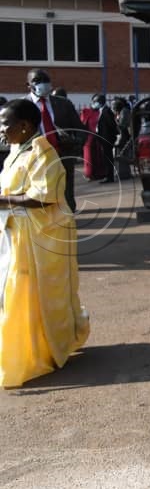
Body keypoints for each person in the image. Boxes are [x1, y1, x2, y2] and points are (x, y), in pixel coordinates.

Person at [0, 99, 89, 387]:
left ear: (25, 127)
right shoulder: (16, 151)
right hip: (18, 234)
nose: (2, 130)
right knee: (16, 293)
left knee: (33, 295)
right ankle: (23, 347)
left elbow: (42, 197)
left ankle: (44, 350)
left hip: (41, 238)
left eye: (6, 124)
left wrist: (3, 200)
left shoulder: (43, 153)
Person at [25, 69, 85, 212]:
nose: (43, 84)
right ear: (28, 85)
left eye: (46, 81)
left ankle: (68, 221)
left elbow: (81, 130)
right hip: (35, 159)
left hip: (62, 155)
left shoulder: (64, 104)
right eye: (37, 81)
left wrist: (75, 143)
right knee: (40, 194)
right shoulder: (22, 106)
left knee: (66, 194)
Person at [111, 97, 133, 181]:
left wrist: (115, 123)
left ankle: (124, 173)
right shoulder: (123, 111)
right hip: (124, 136)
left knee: (122, 154)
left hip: (124, 136)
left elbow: (122, 125)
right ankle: (122, 173)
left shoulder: (124, 112)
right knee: (121, 154)